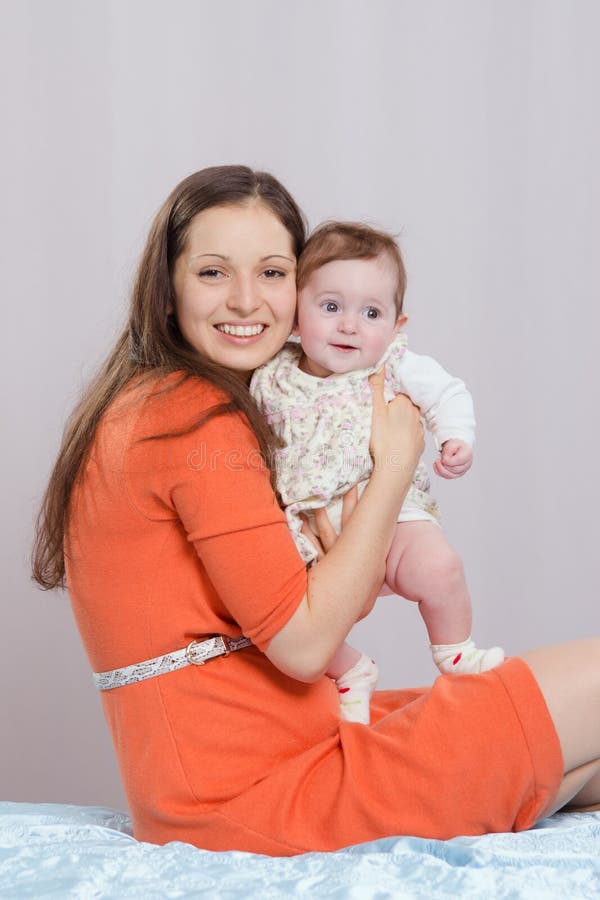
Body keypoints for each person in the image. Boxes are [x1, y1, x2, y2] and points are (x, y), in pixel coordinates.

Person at [32, 165, 600, 856]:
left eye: (272, 273)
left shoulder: (170, 403)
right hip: (270, 793)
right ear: (168, 287)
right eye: (213, 272)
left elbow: (290, 614)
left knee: (566, 752)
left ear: (299, 288)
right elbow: (304, 646)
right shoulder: (191, 418)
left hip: (267, 762)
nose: (246, 301)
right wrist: (395, 462)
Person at [250, 222, 504, 723]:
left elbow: (447, 393)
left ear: (395, 325)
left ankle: (453, 649)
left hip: (394, 514)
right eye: (330, 307)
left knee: (440, 567)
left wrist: (457, 437)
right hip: (309, 528)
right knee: (279, 614)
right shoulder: (270, 374)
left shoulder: (392, 363)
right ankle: (351, 670)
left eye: (371, 313)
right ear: (296, 317)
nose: (350, 326)